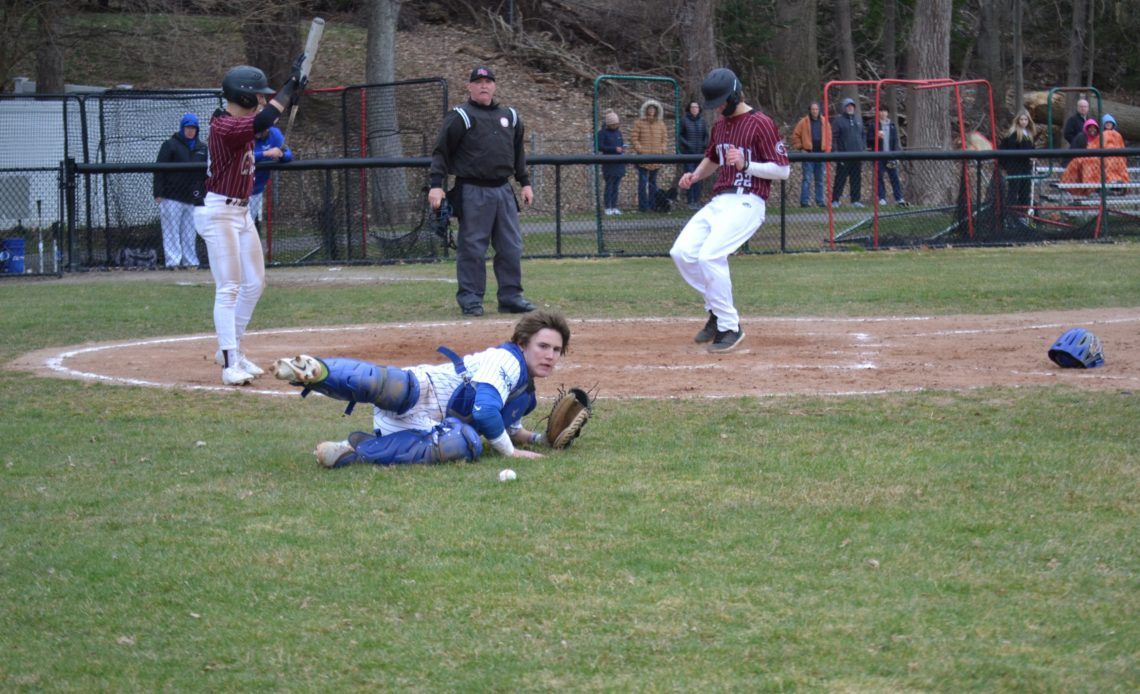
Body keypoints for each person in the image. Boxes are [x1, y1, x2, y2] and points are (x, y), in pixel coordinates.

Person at [272, 310, 572, 467]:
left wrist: (538, 439)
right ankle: (317, 371)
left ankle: (352, 452)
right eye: (543, 346)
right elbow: (484, 410)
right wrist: (510, 453)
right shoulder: (506, 359)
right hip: (422, 390)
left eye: (557, 350)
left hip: (423, 429)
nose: (550, 355)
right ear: (522, 344)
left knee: (464, 444)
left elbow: (507, 428)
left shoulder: (526, 395)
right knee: (395, 386)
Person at [195, 60, 306, 386]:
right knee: (228, 287)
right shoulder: (223, 126)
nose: (260, 99)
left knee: (255, 283)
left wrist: (293, 92)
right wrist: (288, 89)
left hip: (241, 212)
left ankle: (231, 349)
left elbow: (266, 125)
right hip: (219, 213)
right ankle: (230, 363)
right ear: (242, 97)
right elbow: (265, 117)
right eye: (256, 95)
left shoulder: (242, 123)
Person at [671, 68, 789, 354]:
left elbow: (783, 170)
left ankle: (730, 326)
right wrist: (696, 176)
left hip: (749, 199)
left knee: (710, 255)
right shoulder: (721, 126)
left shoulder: (761, 123)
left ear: (736, 94)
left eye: (723, 102)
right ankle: (716, 309)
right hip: (720, 200)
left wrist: (746, 166)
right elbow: (713, 157)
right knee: (682, 253)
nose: (719, 108)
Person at [428, 66, 536, 318]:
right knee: (473, 248)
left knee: (511, 246)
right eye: (478, 82)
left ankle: (511, 297)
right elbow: (441, 152)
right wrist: (436, 184)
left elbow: (518, 152)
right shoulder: (460, 116)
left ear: (495, 86)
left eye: (488, 81)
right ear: (469, 87)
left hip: (503, 189)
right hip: (473, 189)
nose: (483, 85)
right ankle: (471, 299)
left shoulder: (510, 116)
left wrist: (525, 182)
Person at [154, 113, 206, 269]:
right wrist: (158, 192)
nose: (190, 131)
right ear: (182, 128)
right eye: (187, 128)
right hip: (172, 196)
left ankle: (191, 262)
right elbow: (159, 169)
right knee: (171, 231)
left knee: (189, 232)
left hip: (192, 198)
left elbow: (206, 173)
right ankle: (173, 263)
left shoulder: (202, 148)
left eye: (193, 128)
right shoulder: (170, 145)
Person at [790, 101, 831, 208]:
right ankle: (804, 202)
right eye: (813, 109)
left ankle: (820, 201)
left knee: (820, 179)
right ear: (810, 110)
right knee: (807, 179)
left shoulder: (824, 122)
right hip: (808, 154)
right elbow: (795, 136)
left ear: (819, 110)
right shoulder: (803, 122)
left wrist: (827, 149)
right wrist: (801, 147)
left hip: (821, 154)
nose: (815, 111)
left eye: (816, 109)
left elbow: (829, 137)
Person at [631, 98, 668, 212]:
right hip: (643, 157)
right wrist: (640, 149)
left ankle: (653, 205)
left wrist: (662, 149)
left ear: (656, 110)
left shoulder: (661, 124)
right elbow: (634, 138)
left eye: (653, 109)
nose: (651, 110)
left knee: (653, 183)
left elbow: (664, 139)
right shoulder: (639, 123)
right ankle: (643, 207)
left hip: (656, 157)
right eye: (650, 108)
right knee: (642, 183)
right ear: (646, 110)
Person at [250, 124, 292, 226]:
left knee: (249, 224)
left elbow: (288, 154)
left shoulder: (274, 133)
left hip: (257, 189)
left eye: (260, 131)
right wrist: (265, 153)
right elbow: (244, 157)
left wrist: (281, 154)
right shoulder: (246, 134)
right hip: (238, 190)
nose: (257, 134)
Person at [998, 108, 1037, 207]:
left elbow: (1032, 149)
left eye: (1026, 120)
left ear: (1029, 121)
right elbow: (1006, 150)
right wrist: (1006, 165)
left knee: (1025, 189)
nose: (1024, 122)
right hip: (1014, 165)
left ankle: (1023, 211)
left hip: (1025, 166)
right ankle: (1010, 212)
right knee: (1014, 189)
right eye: (1021, 119)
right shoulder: (1013, 134)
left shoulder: (1029, 134)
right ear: (1017, 120)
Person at [830, 97, 866, 207]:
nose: (850, 108)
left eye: (852, 106)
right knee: (840, 178)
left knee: (856, 178)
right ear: (844, 108)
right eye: (848, 106)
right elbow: (834, 137)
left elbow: (863, 134)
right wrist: (836, 153)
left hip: (857, 155)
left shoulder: (858, 119)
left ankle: (855, 200)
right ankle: (835, 200)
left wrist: (862, 148)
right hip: (843, 155)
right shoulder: (838, 121)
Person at [871, 108, 906, 206]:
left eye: (885, 111)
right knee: (879, 177)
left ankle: (899, 198)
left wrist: (896, 155)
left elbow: (895, 141)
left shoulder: (892, 126)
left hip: (890, 156)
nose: (883, 113)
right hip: (879, 157)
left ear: (887, 113)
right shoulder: (874, 126)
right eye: (881, 111)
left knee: (893, 176)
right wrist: (876, 138)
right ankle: (882, 198)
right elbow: (869, 140)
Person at [679, 101, 709, 209]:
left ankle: (697, 200)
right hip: (688, 153)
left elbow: (706, 135)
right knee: (689, 177)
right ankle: (690, 200)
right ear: (689, 109)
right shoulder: (684, 120)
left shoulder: (702, 121)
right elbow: (680, 136)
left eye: (696, 107)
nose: (694, 109)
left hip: (700, 154)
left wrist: (704, 145)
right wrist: (687, 145)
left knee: (698, 177)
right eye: (692, 107)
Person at [596, 109, 626, 215]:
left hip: (619, 162)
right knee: (609, 185)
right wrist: (614, 149)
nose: (615, 125)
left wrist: (622, 149)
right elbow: (600, 147)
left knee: (616, 186)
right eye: (613, 124)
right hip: (609, 162)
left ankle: (614, 206)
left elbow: (621, 144)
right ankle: (607, 206)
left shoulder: (618, 133)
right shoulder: (602, 133)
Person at [1099, 114, 1130, 185]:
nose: (1108, 124)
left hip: (1118, 159)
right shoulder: (1101, 135)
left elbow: (1121, 146)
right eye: (1106, 123)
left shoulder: (1118, 135)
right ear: (1103, 124)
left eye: (1110, 123)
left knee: (1120, 173)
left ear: (1113, 124)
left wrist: (1123, 159)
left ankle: (1120, 186)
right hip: (1106, 159)